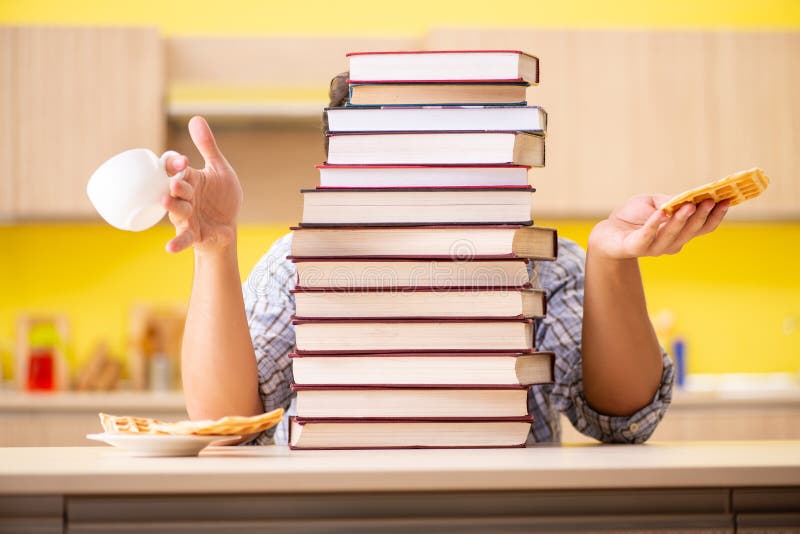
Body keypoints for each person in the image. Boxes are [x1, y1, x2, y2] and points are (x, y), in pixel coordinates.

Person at [160, 75, 729, 445]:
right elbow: (225, 425)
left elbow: (623, 419)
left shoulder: (544, 265)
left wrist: (611, 258)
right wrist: (216, 251)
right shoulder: (299, 265)